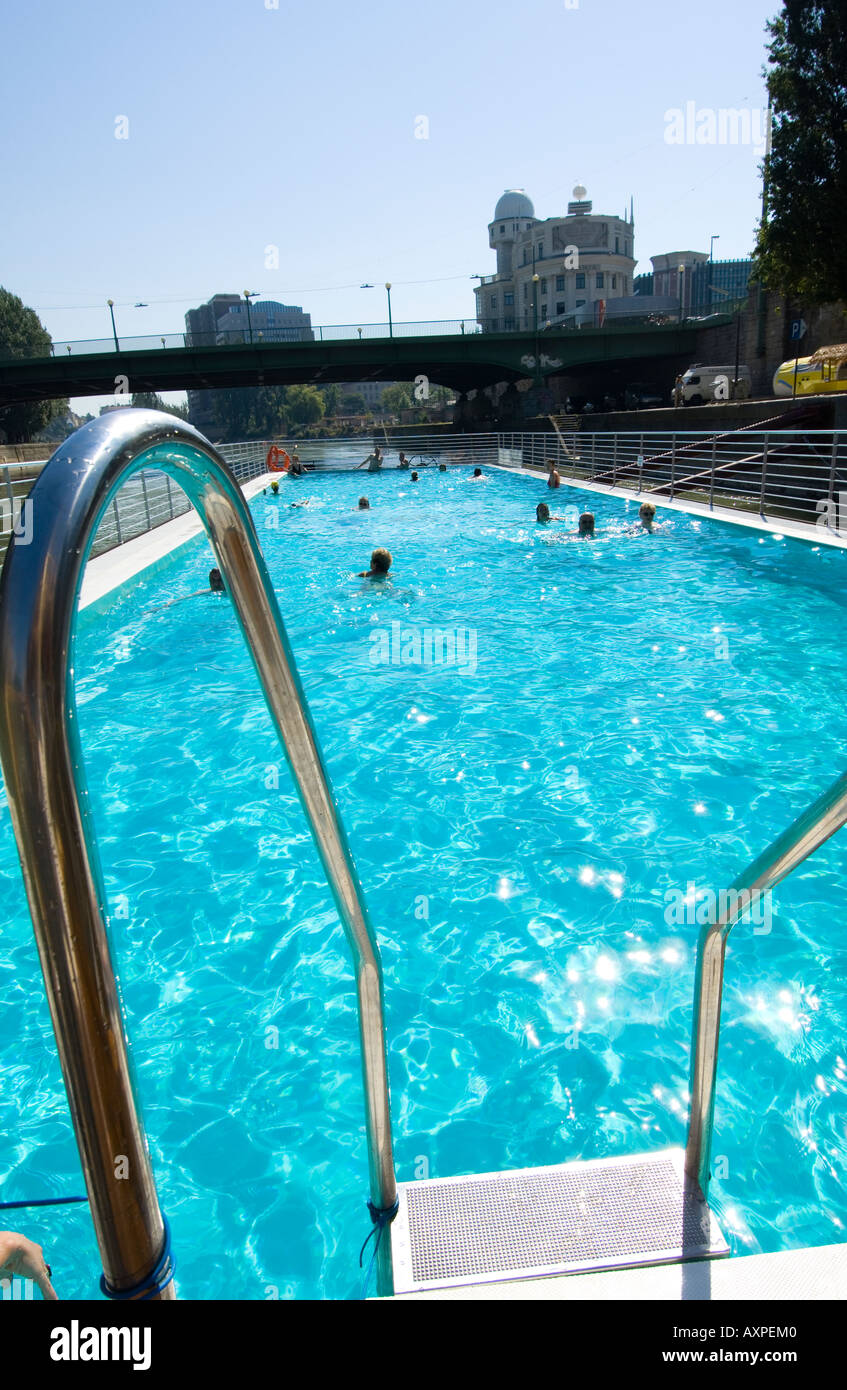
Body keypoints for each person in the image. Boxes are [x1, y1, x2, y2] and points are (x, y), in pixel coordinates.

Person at [0, 1230, 58, 1300]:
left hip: (12, 1247)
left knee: (5, 1282)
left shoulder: (37, 1270)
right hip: (14, 1249)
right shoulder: (39, 1274)